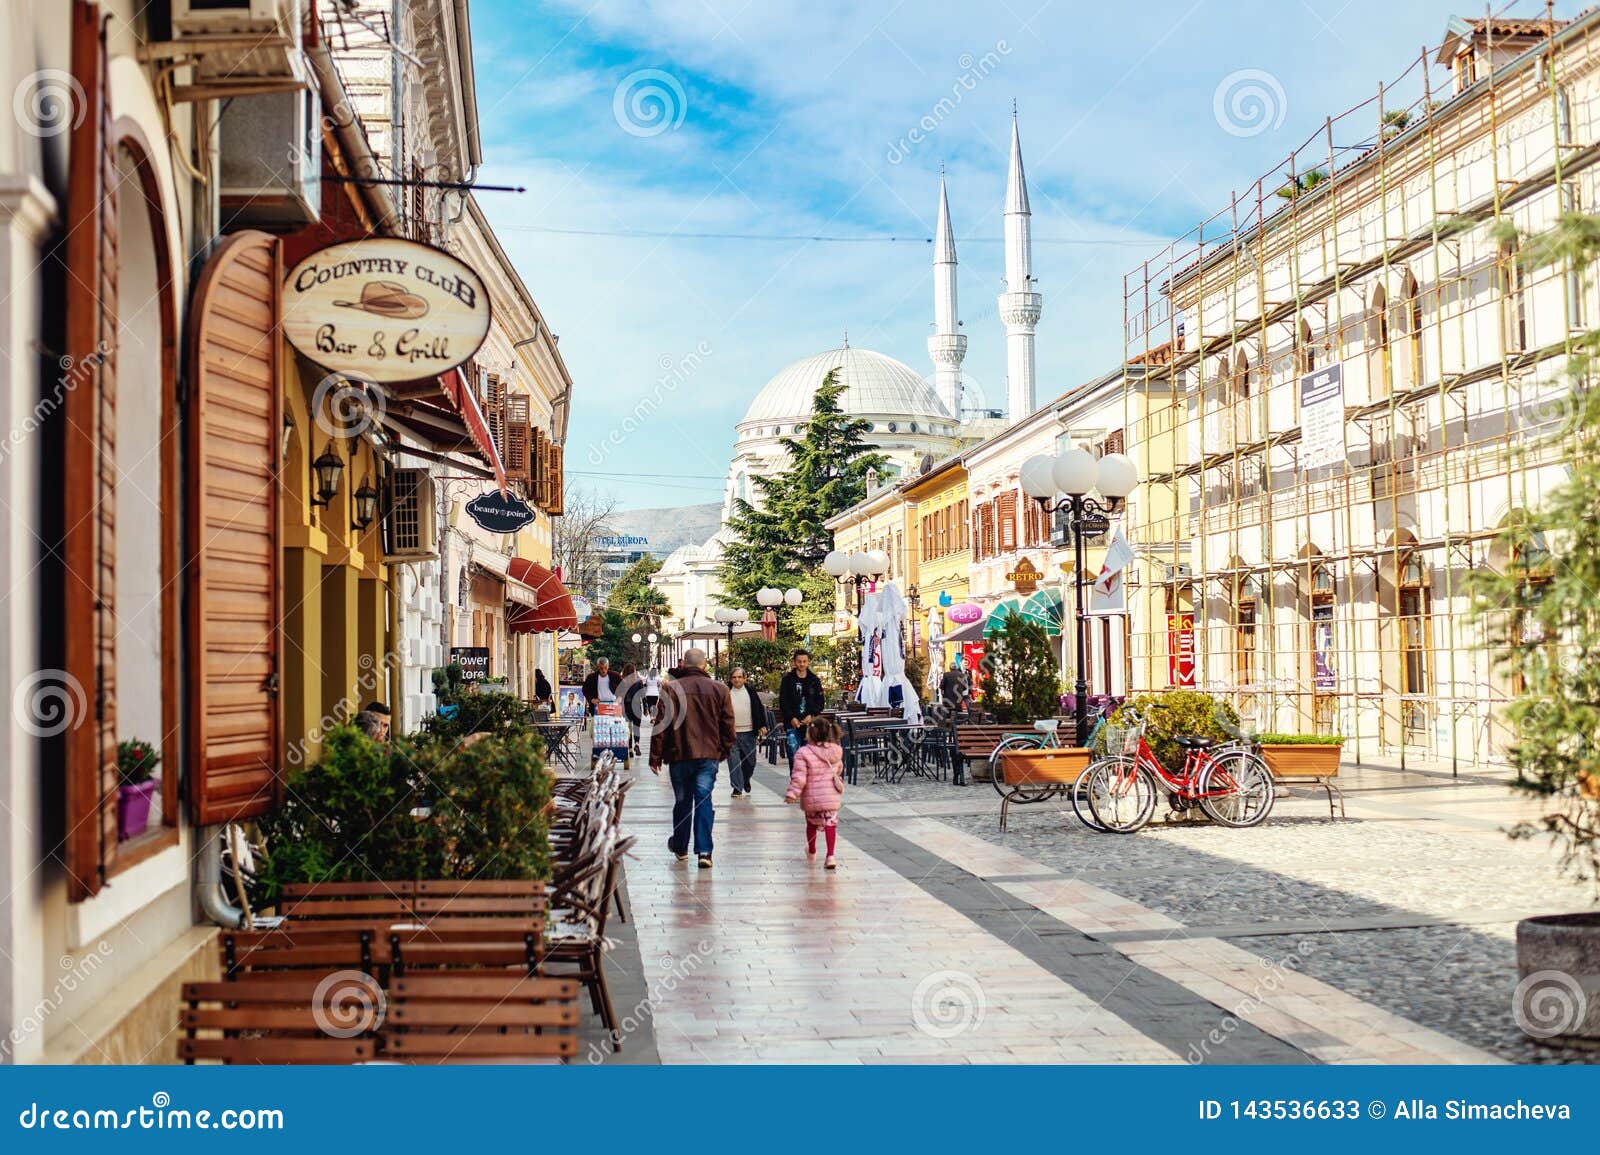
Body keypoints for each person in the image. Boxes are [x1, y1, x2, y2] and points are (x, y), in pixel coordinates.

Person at [649, 648, 734, 869]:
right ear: (705, 665)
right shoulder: (720, 689)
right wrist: (722, 750)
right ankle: (705, 851)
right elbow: (728, 726)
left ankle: (680, 847)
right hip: (708, 756)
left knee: (682, 801)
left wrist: (655, 756)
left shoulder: (671, 689)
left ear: (684, 665)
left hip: (680, 755)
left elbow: (661, 726)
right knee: (704, 800)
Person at [785, 717, 846, 870]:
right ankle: (830, 855)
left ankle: (812, 851)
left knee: (811, 824)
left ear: (810, 733)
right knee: (830, 824)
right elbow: (839, 769)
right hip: (830, 796)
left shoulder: (803, 753)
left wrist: (793, 793)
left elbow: (799, 776)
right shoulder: (836, 751)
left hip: (812, 798)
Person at [777, 648, 825, 763]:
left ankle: (807, 781)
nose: (802, 664)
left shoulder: (814, 680)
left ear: (808, 662)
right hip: (792, 724)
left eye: (804, 661)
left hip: (810, 725)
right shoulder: (787, 680)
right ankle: (796, 780)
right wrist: (791, 717)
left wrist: (812, 715)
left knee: (809, 758)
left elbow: (820, 701)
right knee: (793, 756)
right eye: (799, 661)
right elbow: (783, 701)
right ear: (794, 662)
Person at [726, 666, 767, 798]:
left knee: (750, 762)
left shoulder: (750, 691)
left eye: (739, 677)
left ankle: (745, 779)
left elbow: (759, 709)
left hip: (749, 732)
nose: (737, 680)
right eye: (734, 677)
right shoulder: (726, 692)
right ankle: (737, 788)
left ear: (744, 678)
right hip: (731, 733)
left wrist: (762, 725)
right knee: (734, 762)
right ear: (731, 679)